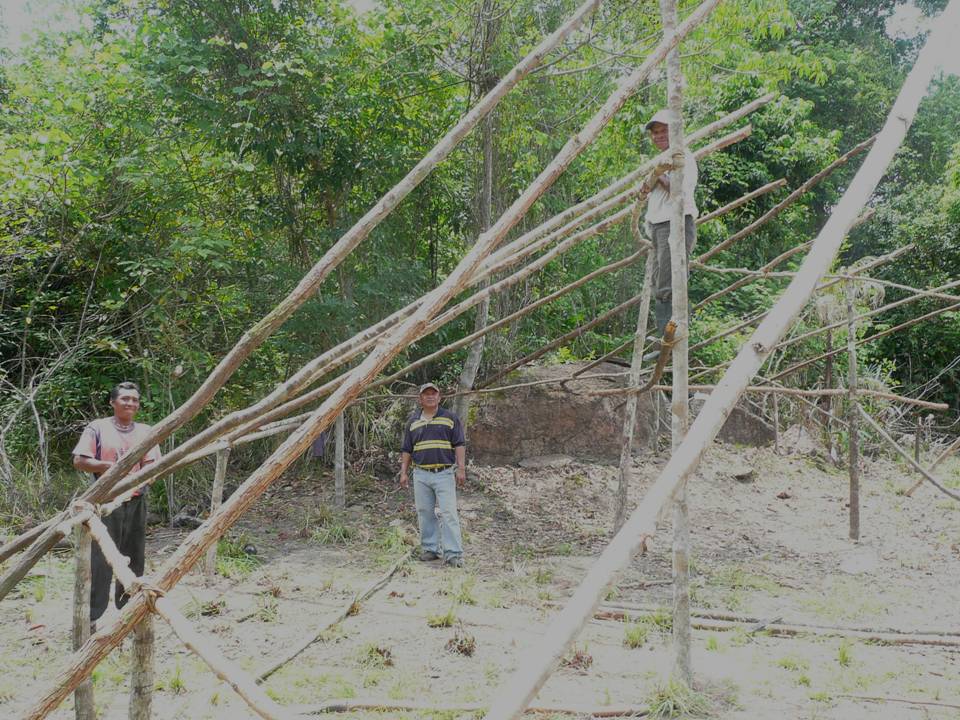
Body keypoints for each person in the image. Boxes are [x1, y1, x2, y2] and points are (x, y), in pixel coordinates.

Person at [72, 381, 160, 626]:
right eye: (125, 399)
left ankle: (129, 611)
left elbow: (153, 467)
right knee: (100, 559)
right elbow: (80, 460)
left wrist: (140, 478)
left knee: (134, 555)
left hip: (135, 501)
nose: (130, 403)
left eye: (134, 400)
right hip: (105, 502)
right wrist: (109, 467)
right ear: (113, 402)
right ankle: (91, 617)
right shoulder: (97, 428)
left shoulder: (146, 431)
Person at [641, 108, 699, 336]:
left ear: (674, 132)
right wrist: (650, 181)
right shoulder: (661, 160)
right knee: (659, 282)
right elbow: (650, 191)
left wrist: (659, 176)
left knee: (669, 282)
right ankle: (665, 335)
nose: (658, 136)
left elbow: (680, 193)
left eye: (663, 130)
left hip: (674, 224)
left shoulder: (682, 157)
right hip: (658, 225)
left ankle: (672, 335)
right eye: (655, 132)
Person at [399, 382, 466, 568]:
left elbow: (459, 444)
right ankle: (430, 549)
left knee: (449, 513)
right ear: (420, 399)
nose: (430, 396)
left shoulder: (450, 418)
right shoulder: (412, 422)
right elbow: (407, 449)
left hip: (444, 473)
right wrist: (404, 472)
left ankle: (453, 553)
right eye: (426, 394)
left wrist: (461, 468)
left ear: (439, 397)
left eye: (433, 393)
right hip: (421, 474)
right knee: (425, 512)